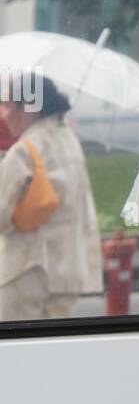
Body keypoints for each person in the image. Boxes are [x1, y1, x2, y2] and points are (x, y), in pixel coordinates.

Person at [0, 71, 103, 321]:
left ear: (29, 108)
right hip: (67, 274)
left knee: (17, 355)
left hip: (24, 273)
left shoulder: (23, 152)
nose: (5, 114)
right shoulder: (69, 140)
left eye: (9, 105)